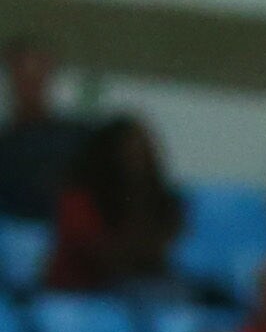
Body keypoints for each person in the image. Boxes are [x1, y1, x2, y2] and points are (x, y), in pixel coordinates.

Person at [43, 115, 183, 293]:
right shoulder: (79, 200)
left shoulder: (157, 199)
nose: (136, 160)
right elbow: (95, 255)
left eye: (141, 153)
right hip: (78, 292)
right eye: (130, 152)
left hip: (135, 289)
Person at [0, 37, 85, 223]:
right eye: (22, 76)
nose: (29, 86)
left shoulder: (72, 138)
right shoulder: (6, 142)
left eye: (35, 77)